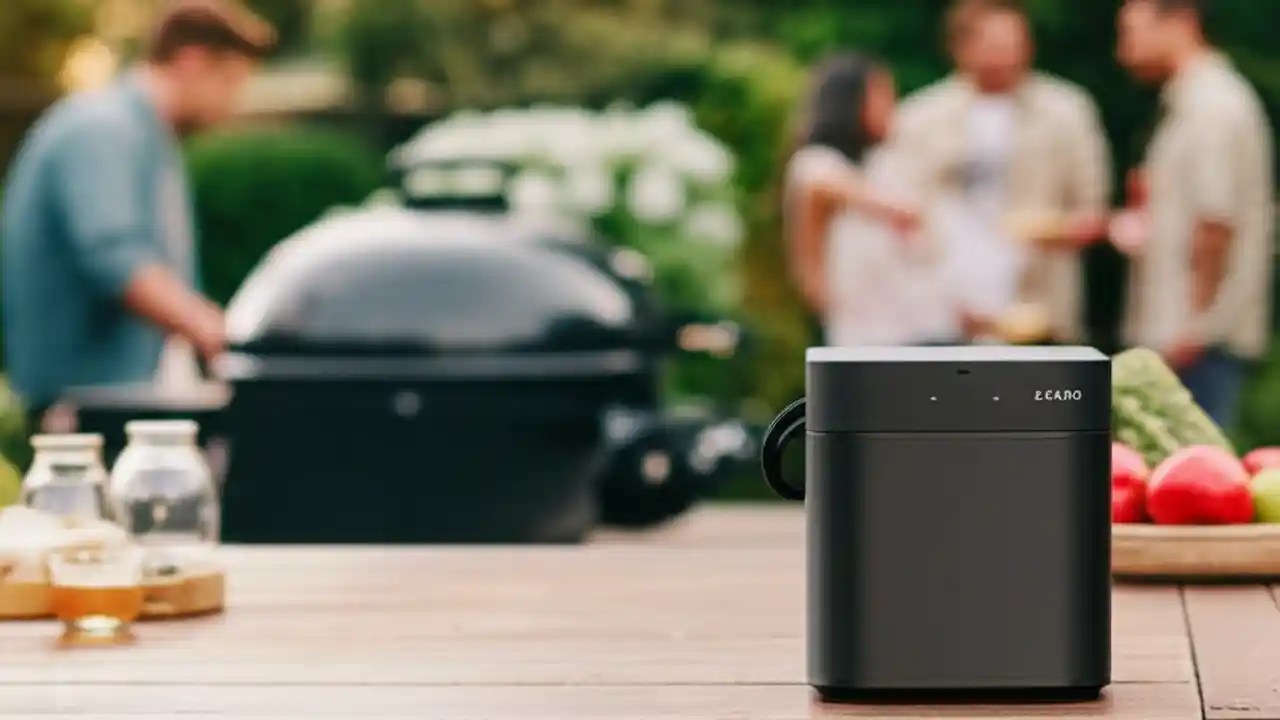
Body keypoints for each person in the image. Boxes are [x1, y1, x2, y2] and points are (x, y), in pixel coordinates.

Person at [2, 1, 275, 428]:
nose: (233, 104)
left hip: (113, 402)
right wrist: (218, 333)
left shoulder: (149, 140)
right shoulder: (102, 129)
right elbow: (113, 256)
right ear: (192, 61)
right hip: (79, 411)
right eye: (230, 82)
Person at [891, 0, 1112, 345]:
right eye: (991, 44)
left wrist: (1043, 230)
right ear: (958, 47)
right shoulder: (919, 118)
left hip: (1039, 305)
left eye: (1014, 44)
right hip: (944, 312)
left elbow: (1093, 212)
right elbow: (901, 215)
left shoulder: (1067, 111)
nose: (1005, 56)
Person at [1114, 0, 1274, 427]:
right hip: (1188, 338)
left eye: (1132, 31)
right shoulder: (1193, 102)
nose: (1123, 50)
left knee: (1192, 477)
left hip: (1194, 342)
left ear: (1181, 22)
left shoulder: (1213, 106)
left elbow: (1215, 223)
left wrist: (1192, 326)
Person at [784, 53, 938, 347]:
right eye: (882, 98)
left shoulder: (885, 162)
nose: (893, 109)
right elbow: (827, 185)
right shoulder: (816, 162)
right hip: (862, 333)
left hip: (913, 328)